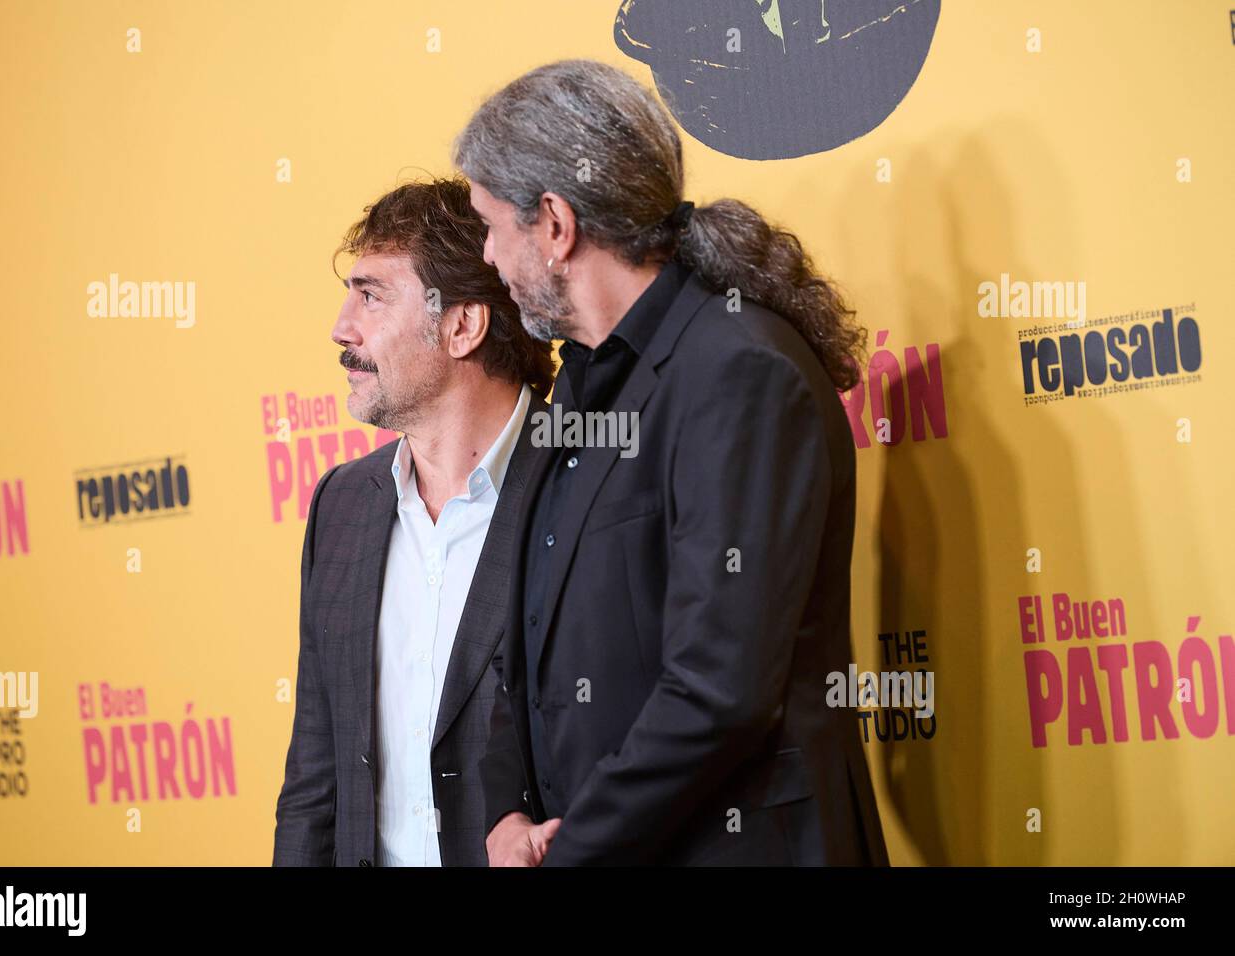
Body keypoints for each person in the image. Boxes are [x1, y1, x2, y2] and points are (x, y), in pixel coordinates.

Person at [455, 59, 890, 865]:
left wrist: (573, 847)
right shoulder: (580, 384)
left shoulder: (737, 372)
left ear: (554, 224)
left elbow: (719, 691)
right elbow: (528, 643)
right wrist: (506, 815)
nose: (486, 257)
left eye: (490, 225)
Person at [272, 177, 554, 866]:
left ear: (462, 325)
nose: (342, 328)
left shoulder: (582, 485)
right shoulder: (342, 505)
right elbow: (316, 777)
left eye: (371, 296)